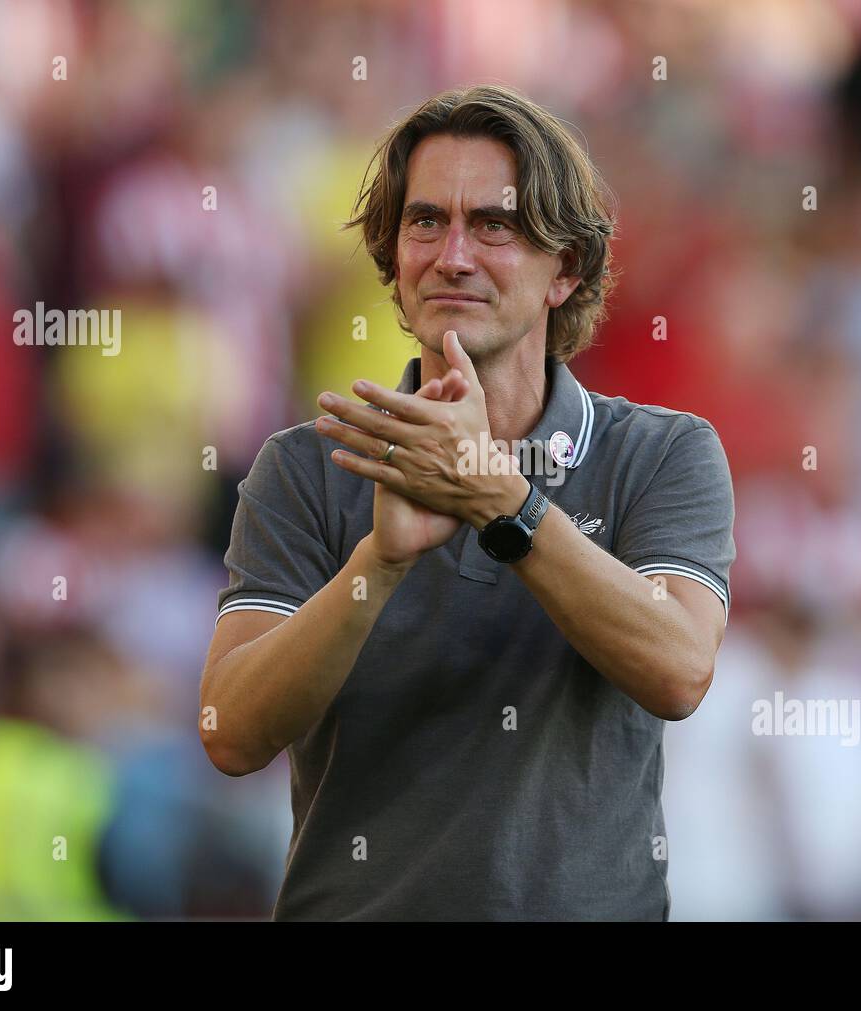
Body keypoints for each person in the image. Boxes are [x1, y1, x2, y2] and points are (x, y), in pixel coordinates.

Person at [199, 84, 735, 921]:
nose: (453, 254)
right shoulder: (304, 467)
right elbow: (229, 731)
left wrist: (501, 500)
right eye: (425, 222)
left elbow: (678, 668)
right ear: (394, 256)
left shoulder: (662, 452)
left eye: (495, 225)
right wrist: (378, 564)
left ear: (568, 270)